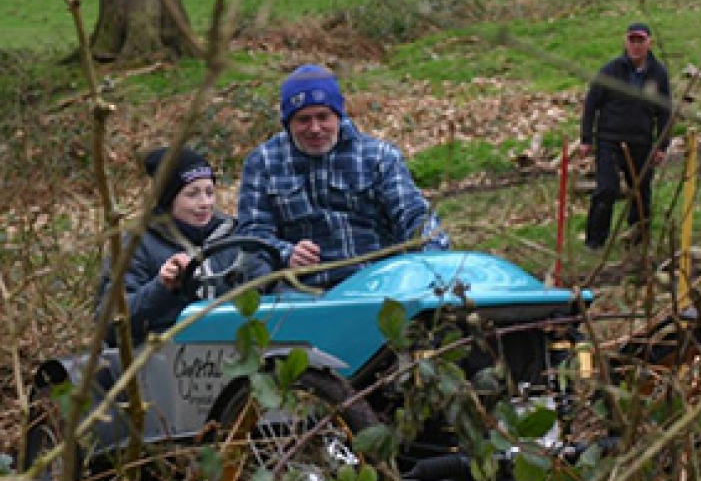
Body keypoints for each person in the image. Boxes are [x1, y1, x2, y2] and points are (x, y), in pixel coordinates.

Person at [237, 64, 449, 288]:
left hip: (378, 283)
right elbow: (253, 235)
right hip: (299, 291)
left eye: (323, 117)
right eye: (303, 120)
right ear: (288, 122)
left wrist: (432, 261)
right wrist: (286, 253)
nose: (315, 128)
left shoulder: (379, 156)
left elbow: (414, 215)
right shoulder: (262, 163)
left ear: (338, 115)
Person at [96, 146, 242, 344]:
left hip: (232, 344)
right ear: (169, 199)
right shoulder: (137, 244)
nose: (205, 203)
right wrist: (162, 287)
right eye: (192, 194)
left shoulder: (234, 236)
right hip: (163, 349)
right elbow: (109, 324)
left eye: (209, 192)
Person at [579, 22, 672, 250]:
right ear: (625, 42)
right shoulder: (610, 71)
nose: (636, 46)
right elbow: (591, 105)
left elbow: (665, 112)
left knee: (641, 191)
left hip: (642, 141)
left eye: (641, 41)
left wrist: (662, 145)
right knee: (606, 189)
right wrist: (586, 139)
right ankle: (595, 241)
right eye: (632, 40)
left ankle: (638, 239)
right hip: (609, 140)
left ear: (649, 43)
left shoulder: (658, 74)